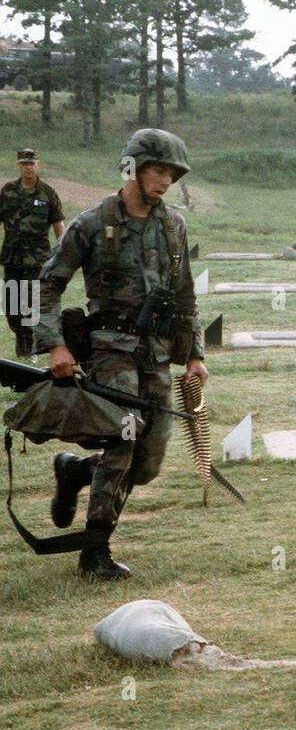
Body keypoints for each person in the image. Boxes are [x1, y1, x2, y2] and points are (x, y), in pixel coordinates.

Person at [33, 129, 207, 580]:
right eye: (157, 169)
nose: (165, 180)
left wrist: (194, 355)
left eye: (171, 172)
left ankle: (75, 472)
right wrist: (56, 344)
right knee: (124, 438)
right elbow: (46, 286)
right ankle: (95, 554)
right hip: (110, 348)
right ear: (132, 167)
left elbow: (185, 294)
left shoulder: (174, 225)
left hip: (157, 351)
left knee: (147, 463)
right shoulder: (91, 223)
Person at [0, 148, 64, 356]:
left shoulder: (47, 193)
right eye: (24, 163)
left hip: (37, 261)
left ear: (38, 164)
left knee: (30, 306)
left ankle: (28, 352)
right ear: (18, 165)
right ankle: (23, 341)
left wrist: (61, 256)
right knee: (10, 307)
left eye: (31, 163)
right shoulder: (7, 191)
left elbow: (58, 226)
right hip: (12, 260)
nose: (28, 167)